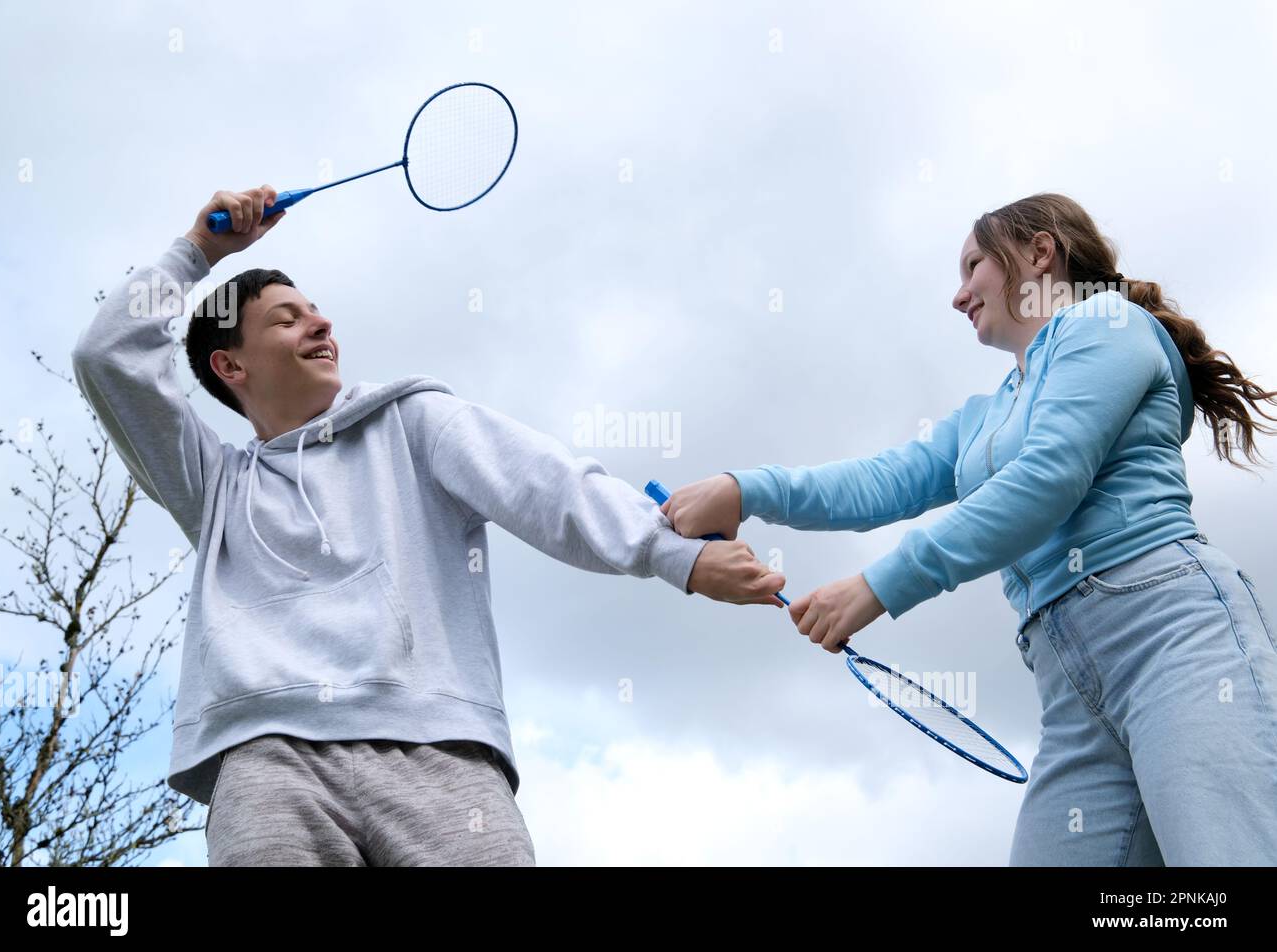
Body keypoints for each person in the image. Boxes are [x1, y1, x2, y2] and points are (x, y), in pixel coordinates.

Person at [70, 185, 786, 866]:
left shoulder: (414, 423)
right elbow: (108, 355)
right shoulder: (216, 485)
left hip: (443, 754)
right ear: (230, 366)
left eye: (316, 311)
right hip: (269, 762)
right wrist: (198, 250)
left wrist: (674, 555)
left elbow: (547, 484)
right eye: (285, 319)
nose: (320, 324)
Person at [660, 192, 1277, 866]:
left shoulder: (1106, 323)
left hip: (1173, 640)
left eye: (973, 265)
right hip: (1068, 690)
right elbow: (882, 481)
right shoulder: (985, 416)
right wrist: (744, 489)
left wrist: (877, 586)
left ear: (1040, 253)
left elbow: (1048, 478)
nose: (958, 296)